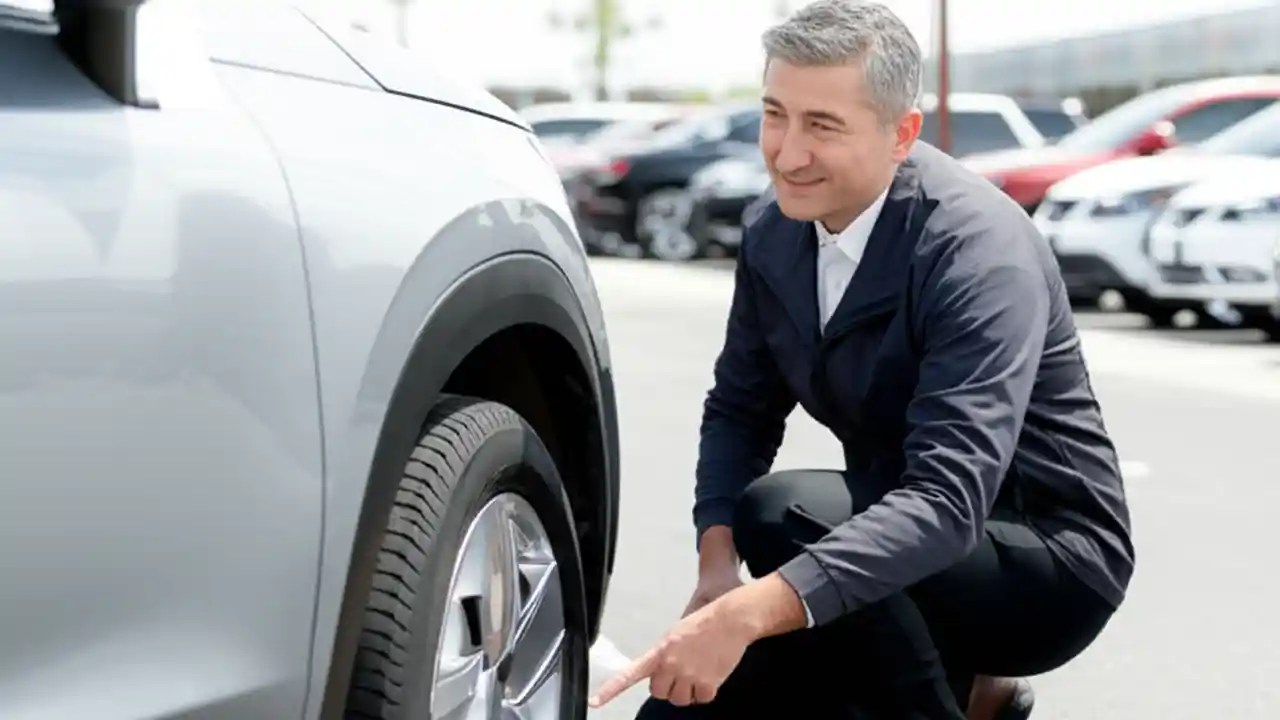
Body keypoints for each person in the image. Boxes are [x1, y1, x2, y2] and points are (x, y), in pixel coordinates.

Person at [589, 1, 1136, 718]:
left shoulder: (977, 252)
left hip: (1039, 561)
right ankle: (971, 696)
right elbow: (740, 409)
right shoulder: (774, 232)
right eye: (774, 114)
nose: (786, 152)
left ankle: (956, 695)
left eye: (822, 125)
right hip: (890, 543)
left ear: (901, 133)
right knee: (690, 699)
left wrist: (753, 613)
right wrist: (718, 573)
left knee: (782, 516)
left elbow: (947, 500)